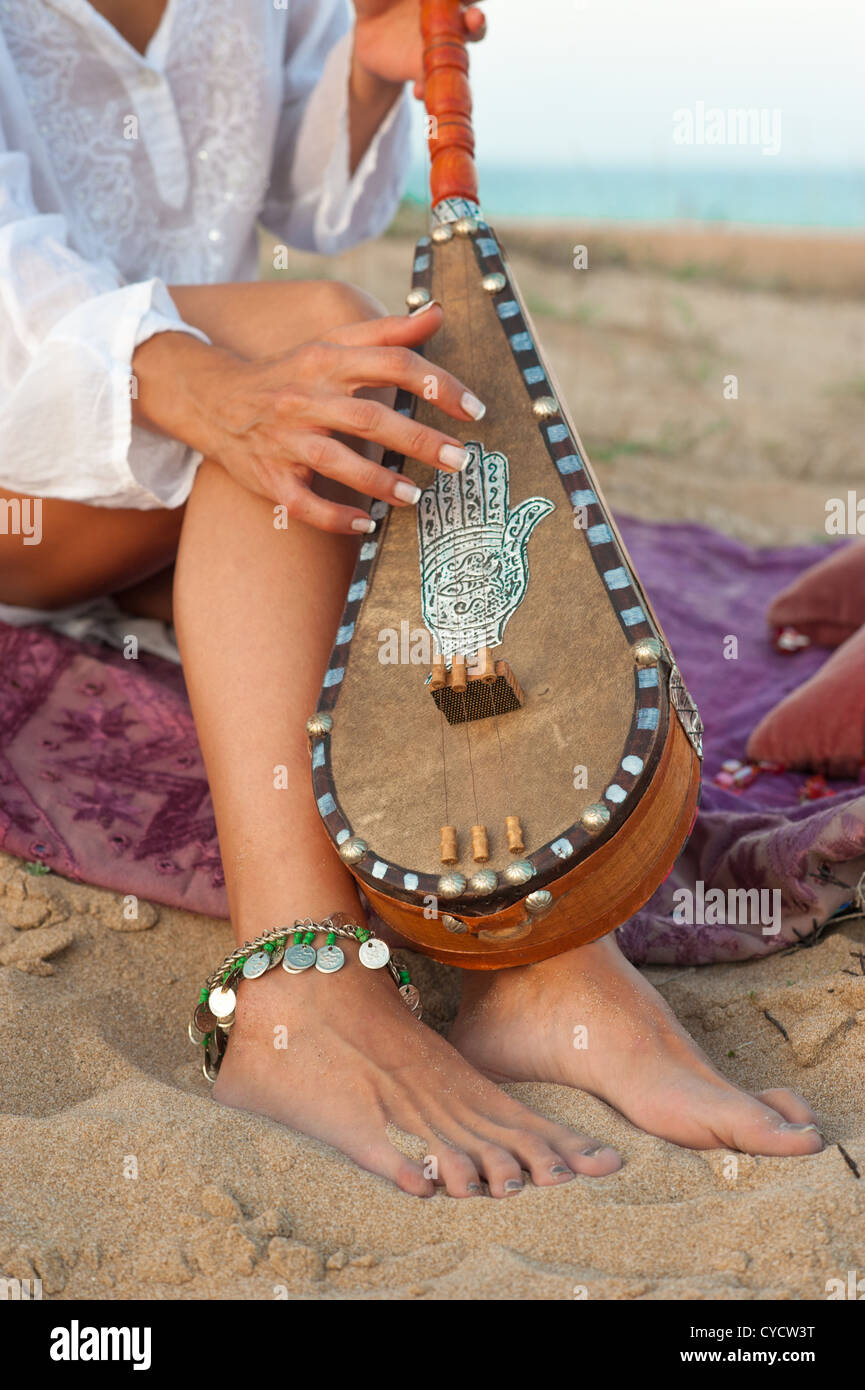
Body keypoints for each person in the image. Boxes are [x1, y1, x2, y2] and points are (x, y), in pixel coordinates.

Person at [0, 0, 823, 1198]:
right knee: (329, 345)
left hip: (164, 427)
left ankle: (544, 961)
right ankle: (297, 995)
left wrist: (364, 74)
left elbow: (299, 191)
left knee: (350, 377)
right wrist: (218, 394)